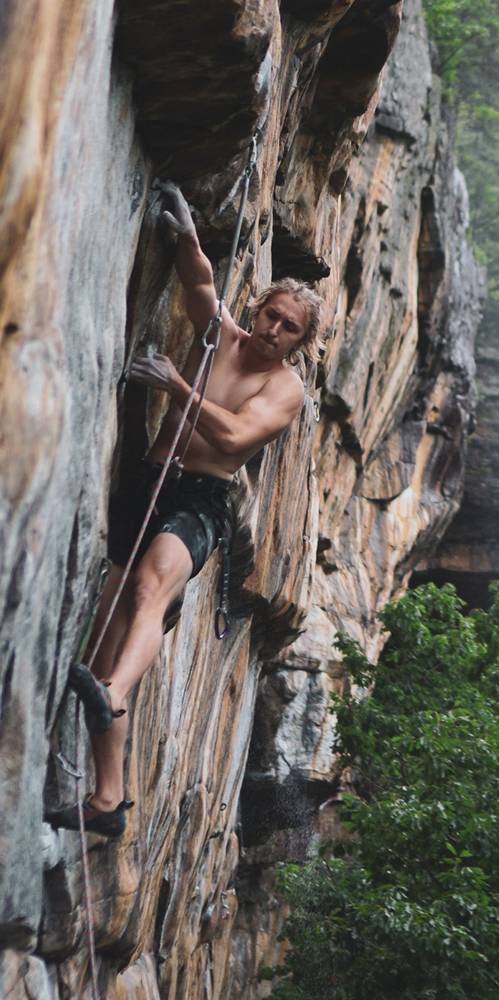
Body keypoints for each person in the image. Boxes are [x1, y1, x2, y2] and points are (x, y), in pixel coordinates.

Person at [46, 182, 322, 837]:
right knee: (106, 639)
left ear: (298, 340)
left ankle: (112, 697)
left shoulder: (284, 391)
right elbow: (200, 288)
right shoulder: (221, 338)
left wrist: (175, 383)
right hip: (148, 483)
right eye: (270, 315)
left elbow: (230, 437)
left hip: (199, 502)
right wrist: (190, 236)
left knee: (149, 587)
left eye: (288, 327)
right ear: (257, 310)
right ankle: (108, 800)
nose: (273, 330)